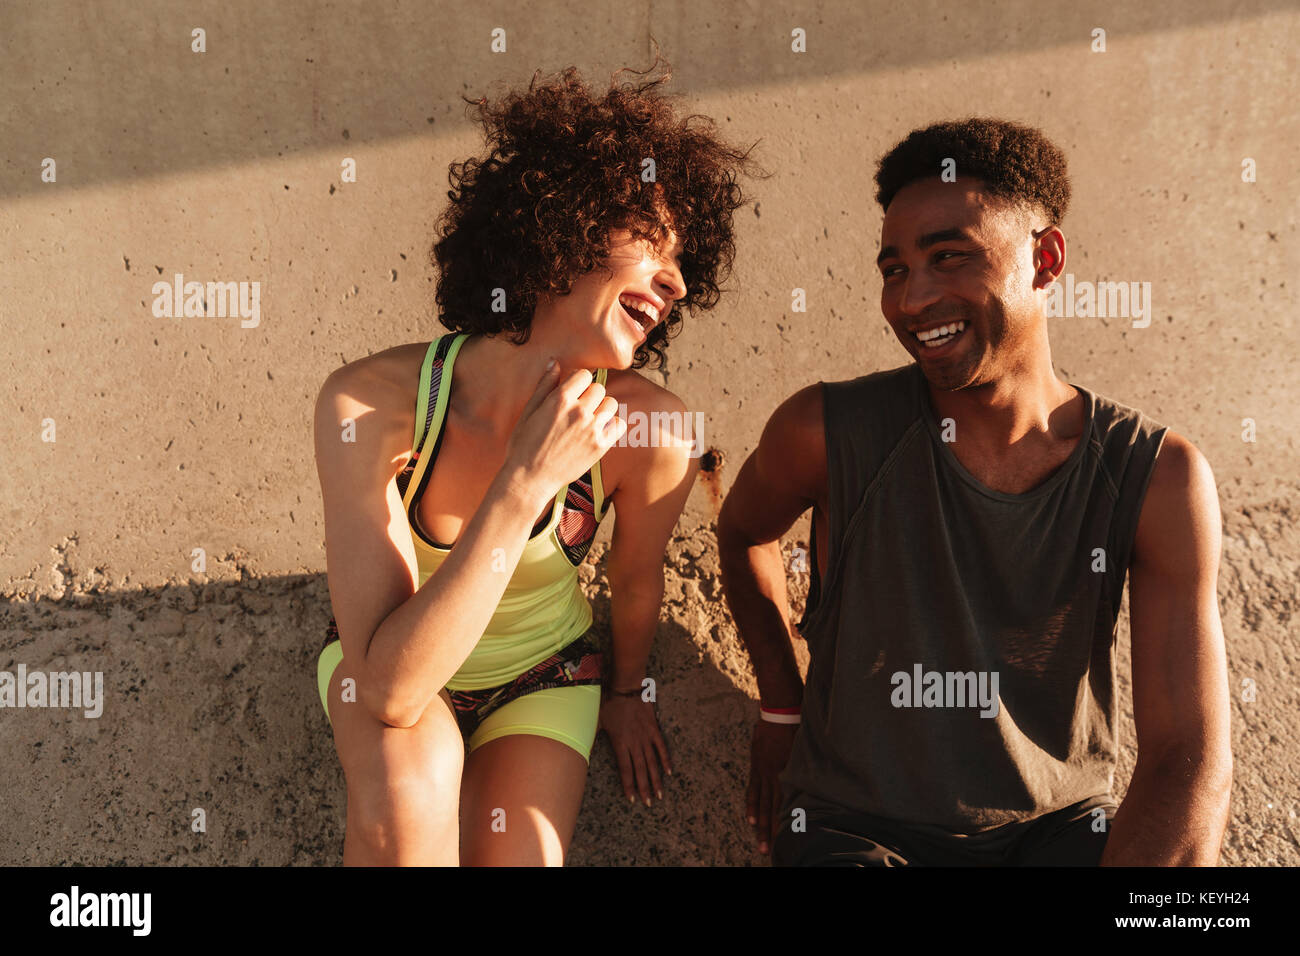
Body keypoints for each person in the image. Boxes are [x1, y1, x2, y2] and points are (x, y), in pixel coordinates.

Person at [717, 117, 1232, 866]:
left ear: (1045, 259)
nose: (912, 298)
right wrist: (780, 704)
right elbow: (742, 534)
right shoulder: (825, 433)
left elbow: (1188, 752)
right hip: (855, 833)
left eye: (948, 257)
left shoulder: (1157, 475)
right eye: (893, 270)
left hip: (1058, 835)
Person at [313, 59, 761, 865]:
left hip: (543, 676)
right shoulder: (369, 406)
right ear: (566, 222)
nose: (680, 282)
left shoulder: (652, 429)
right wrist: (524, 483)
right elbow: (388, 689)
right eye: (654, 242)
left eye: (686, 261)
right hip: (392, 662)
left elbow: (635, 580)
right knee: (411, 798)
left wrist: (626, 693)